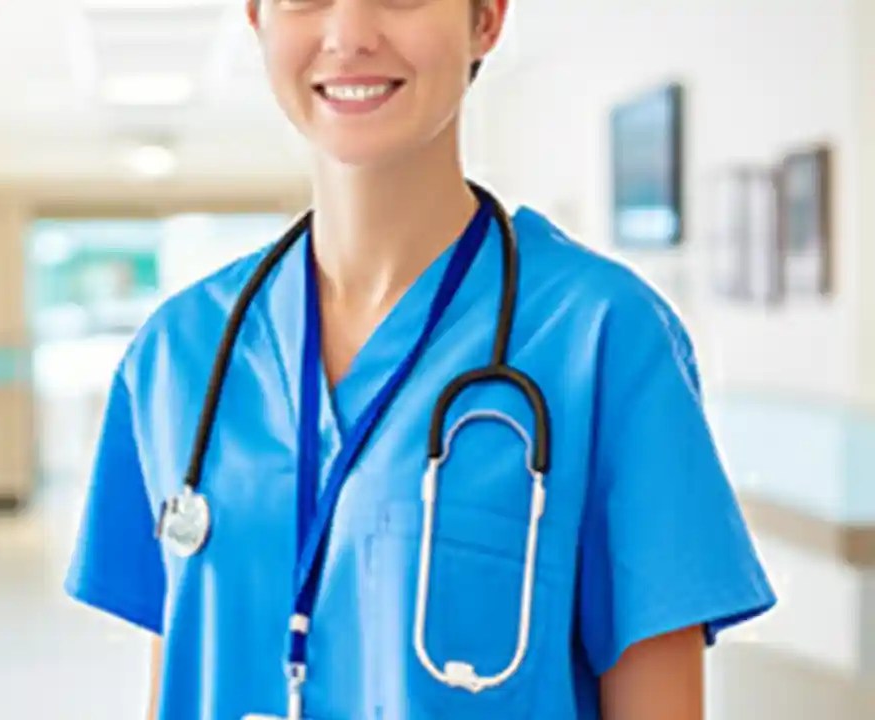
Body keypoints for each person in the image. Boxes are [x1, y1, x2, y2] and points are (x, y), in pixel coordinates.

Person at [64, 0, 776, 718]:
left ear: (487, 19)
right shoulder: (179, 354)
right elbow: (185, 671)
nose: (348, 35)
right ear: (257, 19)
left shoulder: (604, 336)